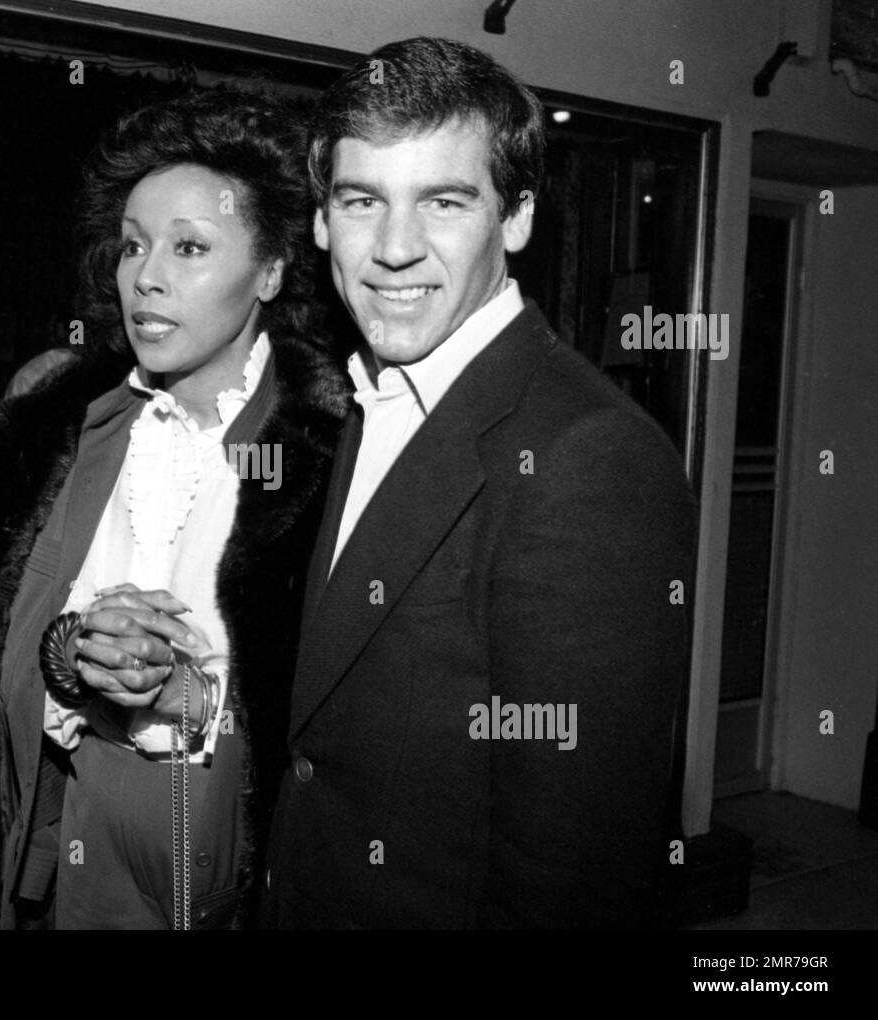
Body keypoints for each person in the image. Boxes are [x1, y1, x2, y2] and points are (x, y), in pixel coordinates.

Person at [261, 37, 697, 928]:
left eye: (445, 202)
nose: (393, 249)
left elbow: (575, 878)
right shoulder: (375, 395)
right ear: (318, 220)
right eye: (361, 201)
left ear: (518, 218)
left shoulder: (591, 458)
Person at [0, 87, 349, 929]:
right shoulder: (58, 428)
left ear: (271, 270)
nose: (147, 277)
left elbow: (339, 717)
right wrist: (78, 654)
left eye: (190, 247)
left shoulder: (334, 450)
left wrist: (189, 697)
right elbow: (16, 665)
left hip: (236, 881)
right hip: (71, 857)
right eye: (133, 248)